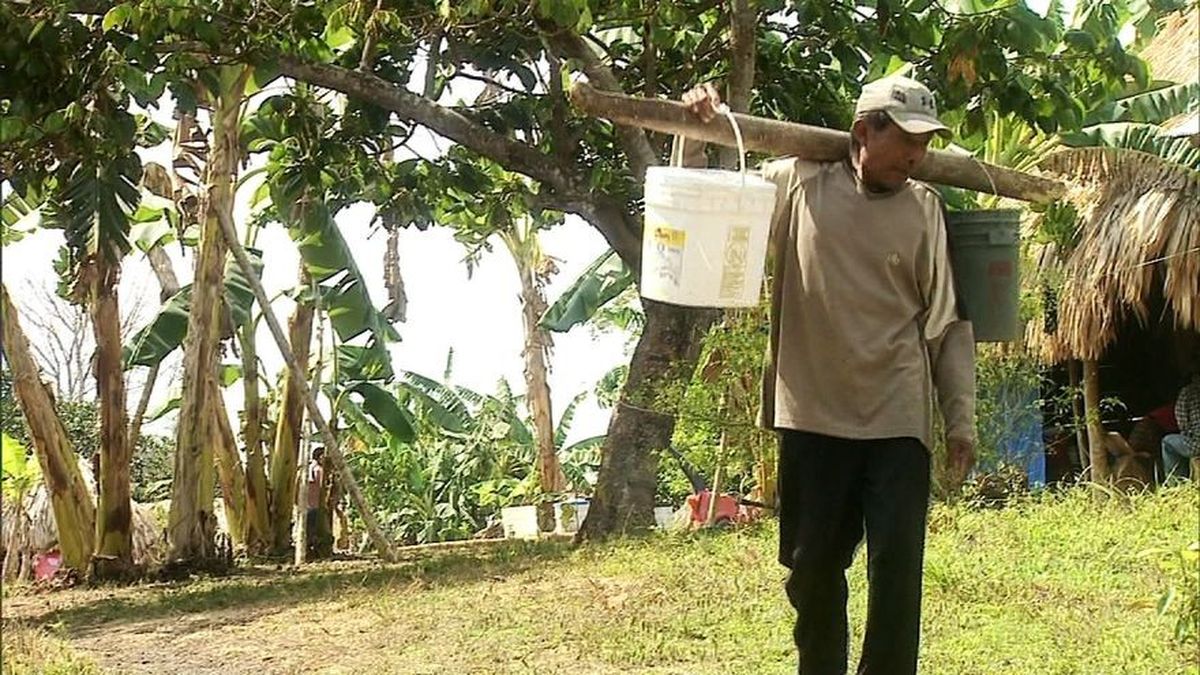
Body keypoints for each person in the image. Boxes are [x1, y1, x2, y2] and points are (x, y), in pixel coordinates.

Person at [683, 75, 977, 675]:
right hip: (812, 413)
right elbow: (712, 208)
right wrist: (695, 131)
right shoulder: (795, 184)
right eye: (906, 140)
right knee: (812, 568)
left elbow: (948, 324)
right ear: (864, 131)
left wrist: (960, 422)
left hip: (897, 418)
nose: (917, 155)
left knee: (896, 572)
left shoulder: (925, 210)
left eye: (927, 142)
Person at [1162, 373, 1199, 482]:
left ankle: (1176, 483)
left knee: (1167, 442)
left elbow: (1182, 423)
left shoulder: (1188, 392)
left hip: (1197, 445)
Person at [305, 446, 326, 548]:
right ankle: (312, 545)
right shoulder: (318, 469)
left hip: (307, 502)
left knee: (308, 526)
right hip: (314, 503)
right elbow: (322, 486)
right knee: (311, 527)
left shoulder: (309, 467)